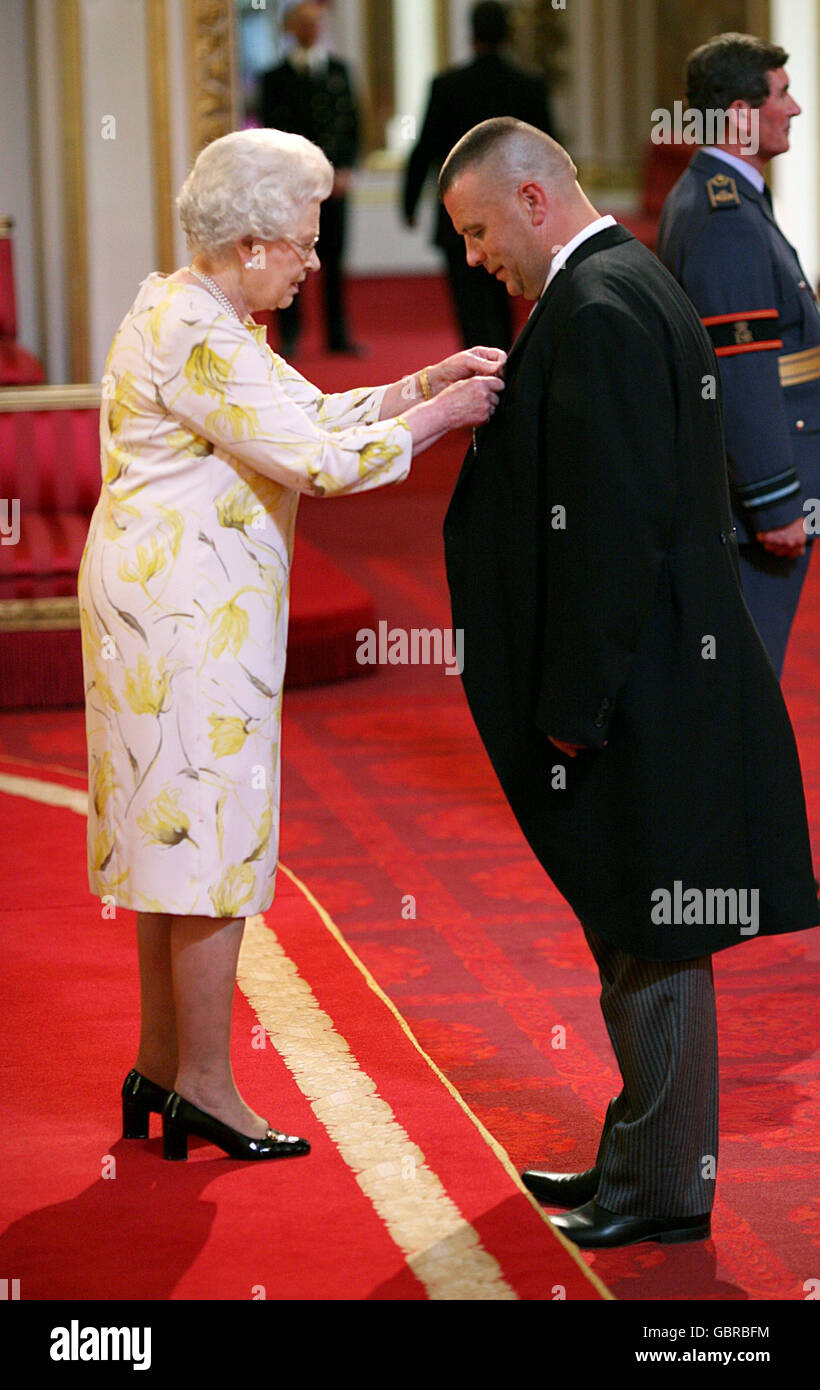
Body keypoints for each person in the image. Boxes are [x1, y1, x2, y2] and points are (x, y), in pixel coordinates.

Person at [78, 126, 504, 1164]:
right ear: (252, 242)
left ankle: (161, 1064)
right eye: (305, 245)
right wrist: (446, 415)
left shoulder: (191, 309)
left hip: (157, 604)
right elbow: (318, 458)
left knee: (169, 835)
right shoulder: (207, 333)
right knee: (209, 842)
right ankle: (209, 1087)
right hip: (184, 620)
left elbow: (302, 412)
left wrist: (414, 386)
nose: (316, 263)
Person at [439, 117, 819, 1248]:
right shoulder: (622, 281)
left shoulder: (599, 309)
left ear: (533, 200)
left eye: (475, 231)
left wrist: (570, 706)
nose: (473, 258)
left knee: (652, 929)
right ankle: (639, 1150)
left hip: (640, 693)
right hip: (662, 678)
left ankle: (660, 1184)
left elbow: (612, 535)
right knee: (640, 927)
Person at [657, 33, 820, 678]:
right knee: (742, 685)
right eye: (781, 95)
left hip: (747, 490)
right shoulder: (726, 215)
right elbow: (742, 373)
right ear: (740, 116)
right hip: (753, 507)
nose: (796, 108)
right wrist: (778, 504)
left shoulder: (726, 196)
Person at [402, 0, 556, 351]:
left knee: (469, 302)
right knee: (506, 297)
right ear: (509, 35)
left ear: (471, 35)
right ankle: (507, 364)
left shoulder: (447, 85)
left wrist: (409, 204)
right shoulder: (529, 86)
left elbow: (425, 148)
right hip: (518, 214)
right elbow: (548, 152)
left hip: (460, 219)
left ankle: (478, 370)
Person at [260, 1, 360, 355]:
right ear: (291, 28)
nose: (312, 29)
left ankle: (337, 335)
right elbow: (271, 130)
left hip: (333, 186)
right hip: (292, 190)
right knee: (288, 258)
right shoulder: (274, 78)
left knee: (334, 260)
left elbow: (351, 124)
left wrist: (346, 168)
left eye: (317, 23)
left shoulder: (338, 71)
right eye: (304, 23)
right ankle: (290, 335)